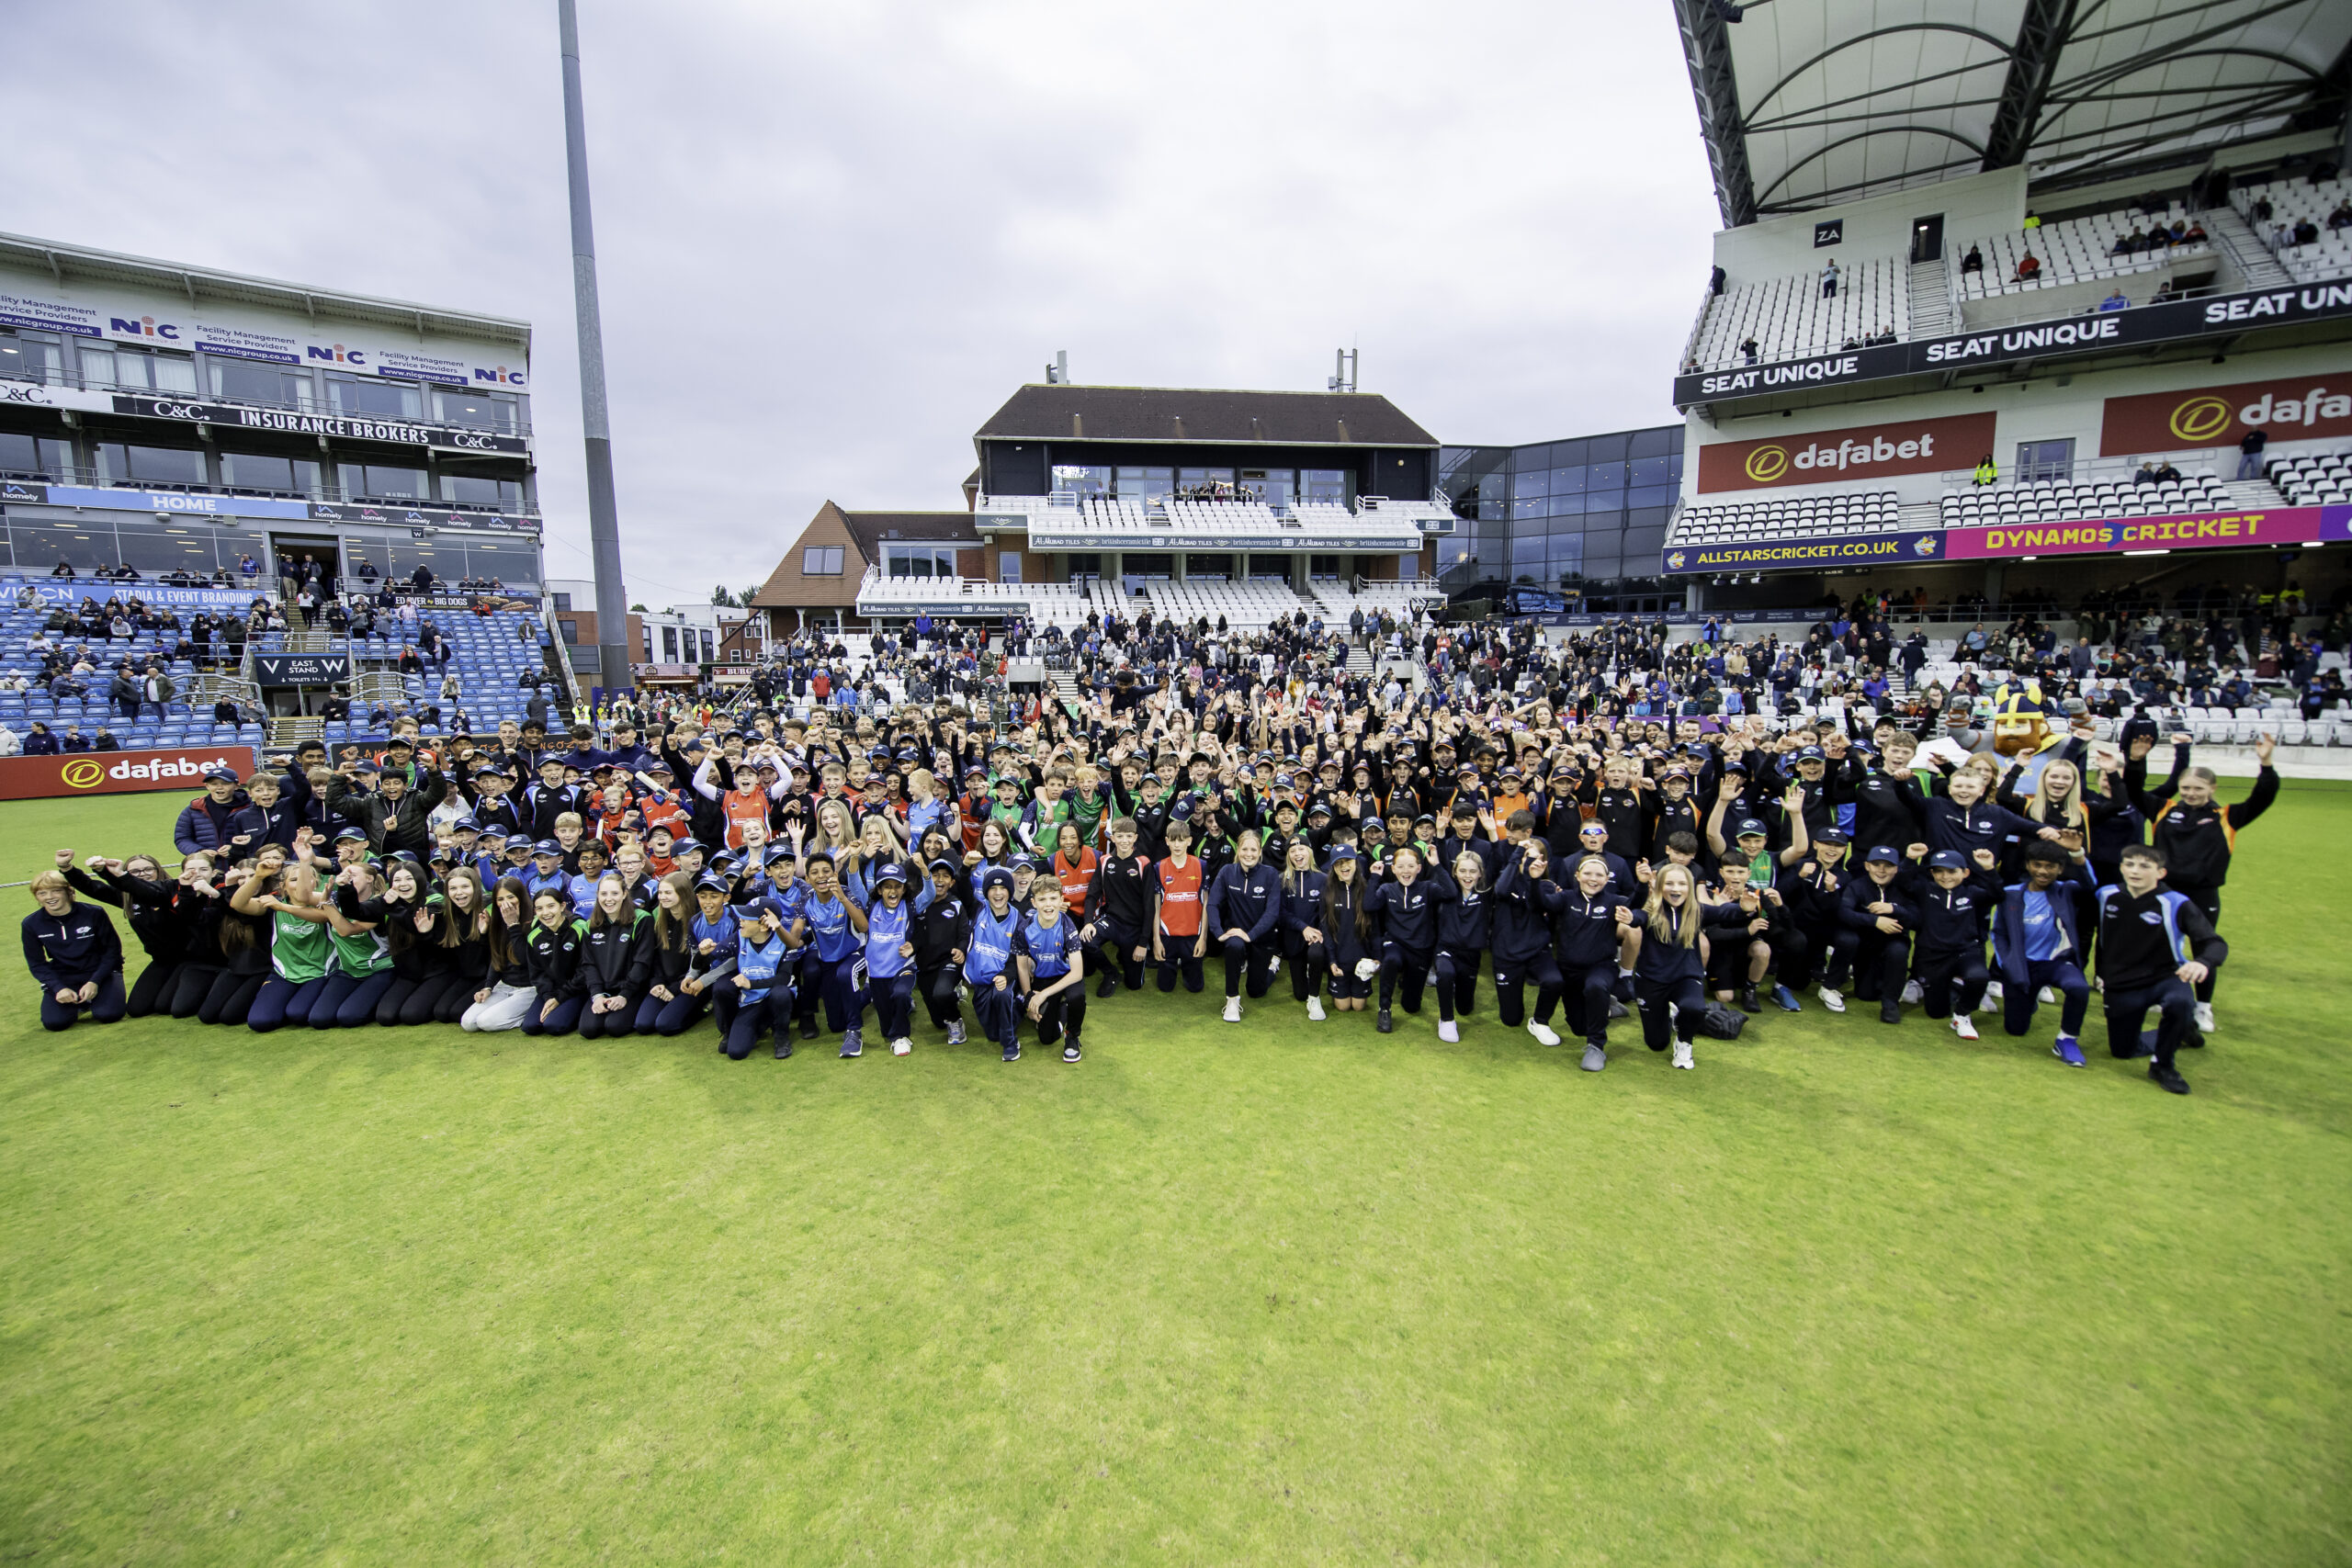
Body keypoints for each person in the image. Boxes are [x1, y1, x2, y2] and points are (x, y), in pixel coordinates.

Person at [2094, 846, 2224, 1096]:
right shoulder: (2105, 895)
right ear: (2121, 867)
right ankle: (2182, 1030)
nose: (2135, 871)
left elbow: (2214, 942)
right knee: (2122, 1052)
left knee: (2179, 1003)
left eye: (2145, 866)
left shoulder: (2176, 902)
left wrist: (2202, 962)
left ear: (2161, 872)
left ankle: (2163, 1065)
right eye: (2129, 864)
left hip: (2167, 977)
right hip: (2121, 984)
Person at [22, 868, 127, 1032]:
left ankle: (93, 998)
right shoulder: (31, 924)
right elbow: (37, 963)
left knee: (109, 1015)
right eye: (42, 893)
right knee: (55, 1023)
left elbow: (112, 951)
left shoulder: (93, 913)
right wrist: (58, 988)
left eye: (55, 891)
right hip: (64, 977)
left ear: (68, 892)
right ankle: (80, 1003)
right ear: (37, 896)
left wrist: (95, 982)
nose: (49, 897)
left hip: (100, 973)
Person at [1633, 862, 1706, 1070]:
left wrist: (1745, 909)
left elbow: (1727, 913)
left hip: (1686, 977)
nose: (1676, 889)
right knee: (1656, 1044)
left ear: (1690, 888)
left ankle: (1684, 1042)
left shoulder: (1697, 911)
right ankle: (1670, 1015)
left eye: (1682, 884)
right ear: (1658, 886)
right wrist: (1640, 886)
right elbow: (1634, 914)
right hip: (1651, 981)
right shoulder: (1650, 912)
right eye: (1670, 883)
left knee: (1694, 1007)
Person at [1206, 829, 1282, 1021]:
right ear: (1238, 850)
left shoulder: (1270, 874)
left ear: (1260, 852)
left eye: (1253, 850)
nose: (1249, 854)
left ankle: (1271, 968)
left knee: (1256, 991)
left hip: (1261, 938)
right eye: (1245, 849)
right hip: (1236, 935)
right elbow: (1213, 903)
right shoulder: (1227, 872)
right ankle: (1232, 1000)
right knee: (1233, 945)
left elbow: (1272, 912)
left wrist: (1251, 935)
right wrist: (1219, 932)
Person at [1015, 875, 1087, 1063]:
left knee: (1077, 997)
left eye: (1053, 898)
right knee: (1046, 1038)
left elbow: (1077, 972)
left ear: (1061, 900)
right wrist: (1030, 998)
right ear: (1033, 902)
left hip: (1067, 977)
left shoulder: (1067, 926)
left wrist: (1043, 995)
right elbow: (1022, 967)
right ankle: (1061, 1009)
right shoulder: (1025, 928)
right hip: (1043, 979)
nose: (1048, 905)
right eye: (1042, 899)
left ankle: (1072, 1037)